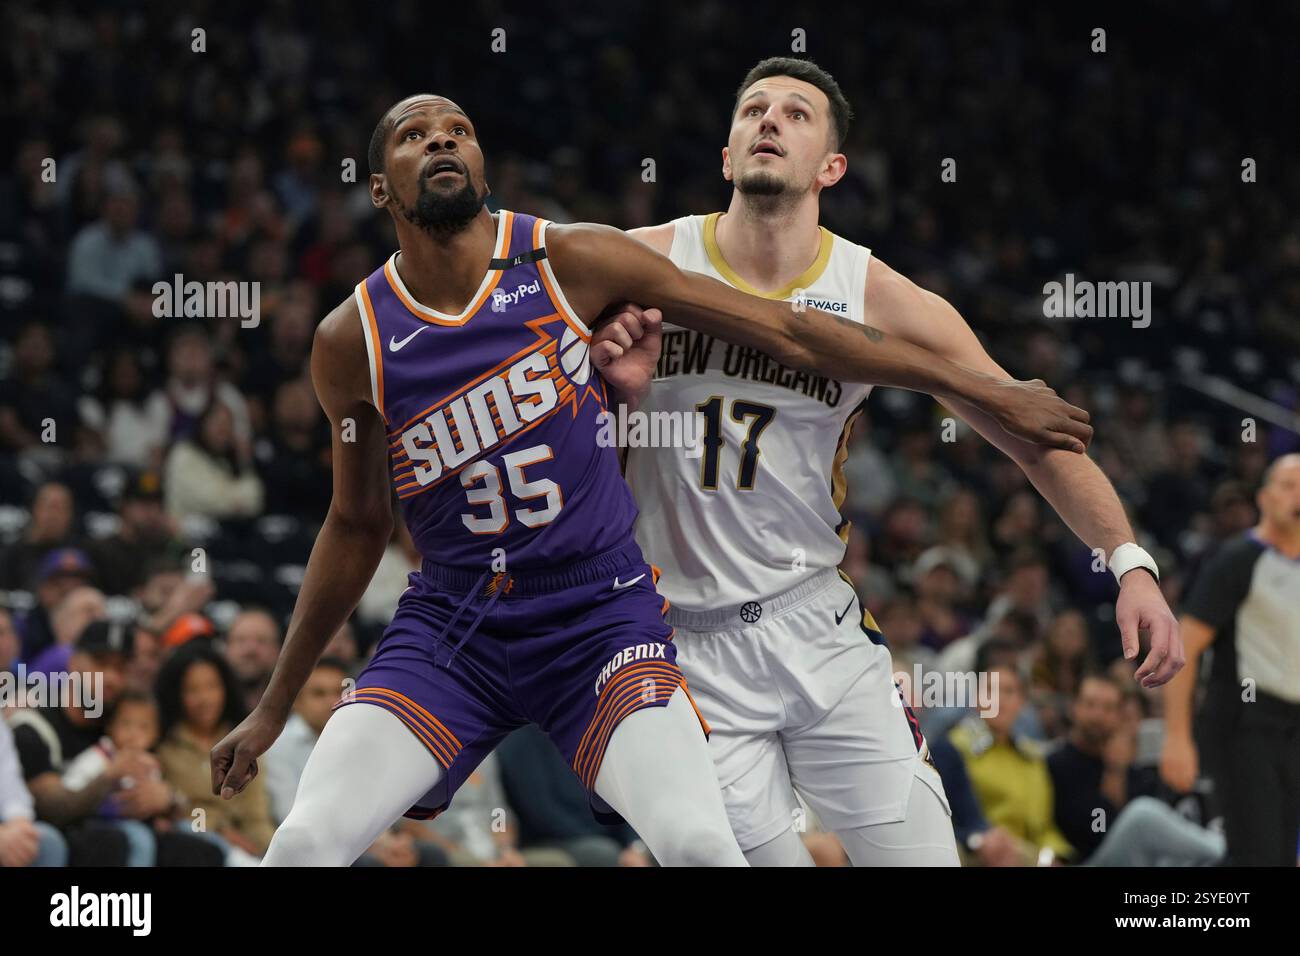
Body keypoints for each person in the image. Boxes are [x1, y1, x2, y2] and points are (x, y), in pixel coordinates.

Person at [210, 91, 1090, 867]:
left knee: (701, 846)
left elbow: (783, 330)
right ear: (379, 187)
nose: (441, 142)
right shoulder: (349, 340)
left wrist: (986, 390)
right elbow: (356, 525)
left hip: (597, 614)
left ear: (482, 161)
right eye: (413, 136)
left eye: (459, 129)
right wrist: (271, 705)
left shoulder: (570, 260)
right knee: (305, 843)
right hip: (454, 624)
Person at [594, 57, 1182, 866]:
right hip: (678, 642)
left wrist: (1130, 564)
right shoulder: (634, 262)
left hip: (816, 625)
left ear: (832, 166)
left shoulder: (877, 294)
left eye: (797, 114)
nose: (770, 120)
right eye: (753, 110)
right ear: (727, 155)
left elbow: (1029, 433)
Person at [1160, 453, 1300, 865]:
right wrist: (1176, 736)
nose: (1298, 496)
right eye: (1288, 485)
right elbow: (1184, 646)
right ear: (1265, 498)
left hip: (1294, 728)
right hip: (1244, 723)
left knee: (1280, 854)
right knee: (1257, 854)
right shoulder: (1238, 560)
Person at [8, 620, 222, 866]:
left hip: (120, 828)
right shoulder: (34, 726)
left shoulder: (124, 723)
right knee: (114, 841)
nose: (110, 677)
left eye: (120, 668)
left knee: (199, 846)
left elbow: (165, 793)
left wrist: (165, 800)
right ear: (74, 663)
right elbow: (53, 808)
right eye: (101, 663)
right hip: (58, 834)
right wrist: (110, 777)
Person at [1048, 675, 1223, 866]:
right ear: (1074, 708)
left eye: (1107, 708)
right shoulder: (1055, 764)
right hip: (1083, 861)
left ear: (1119, 716)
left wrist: (1118, 771)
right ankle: (1224, 849)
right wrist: (1113, 773)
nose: (1097, 715)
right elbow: (1094, 833)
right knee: (1142, 815)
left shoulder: (1130, 769)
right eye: (1090, 705)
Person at [157, 643, 275, 861]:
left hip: (245, 847)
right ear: (176, 694)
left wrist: (272, 851)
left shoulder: (244, 742)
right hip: (193, 844)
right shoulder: (163, 745)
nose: (204, 699)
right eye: (192, 689)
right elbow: (173, 809)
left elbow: (256, 815)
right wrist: (220, 830)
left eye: (212, 687)